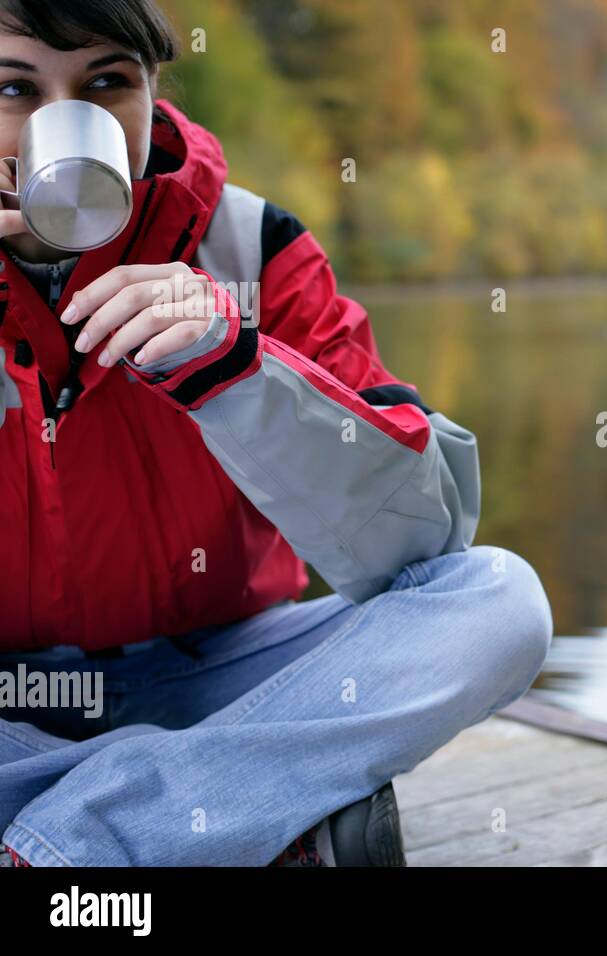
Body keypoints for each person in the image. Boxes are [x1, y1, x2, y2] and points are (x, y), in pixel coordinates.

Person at [0, 0, 552, 867]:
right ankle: (225, 813)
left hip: (220, 675)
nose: (62, 123)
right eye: (13, 88)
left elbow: (418, 544)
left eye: (108, 81)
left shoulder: (252, 247)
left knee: (498, 602)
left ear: (154, 93)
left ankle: (74, 836)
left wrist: (233, 366)